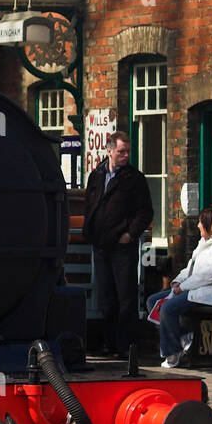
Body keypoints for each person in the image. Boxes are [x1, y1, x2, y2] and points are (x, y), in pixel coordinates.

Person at [82, 131, 154, 357]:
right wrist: (90, 231)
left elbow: (145, 211)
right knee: (107, 298)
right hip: (101, 244)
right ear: (109, 150)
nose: (125, 155)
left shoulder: (134, 178)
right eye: (121, 151)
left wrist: (130, 234)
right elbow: (90, 204)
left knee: (126, 297)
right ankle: (110, 344)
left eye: (127, 151)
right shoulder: (96, 175)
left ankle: (126, 347)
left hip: (122, 245)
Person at [146, 205, 212, 368]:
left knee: (168, 308)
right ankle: (186, 336)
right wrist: (178, 281)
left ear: (211, 225)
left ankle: (172, 352)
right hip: (198, 288)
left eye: (200, 222)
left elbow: (209, 274)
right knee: (152, 301)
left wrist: (183, 287)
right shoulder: (205, 242)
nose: (198, 226)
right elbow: (191, 267)